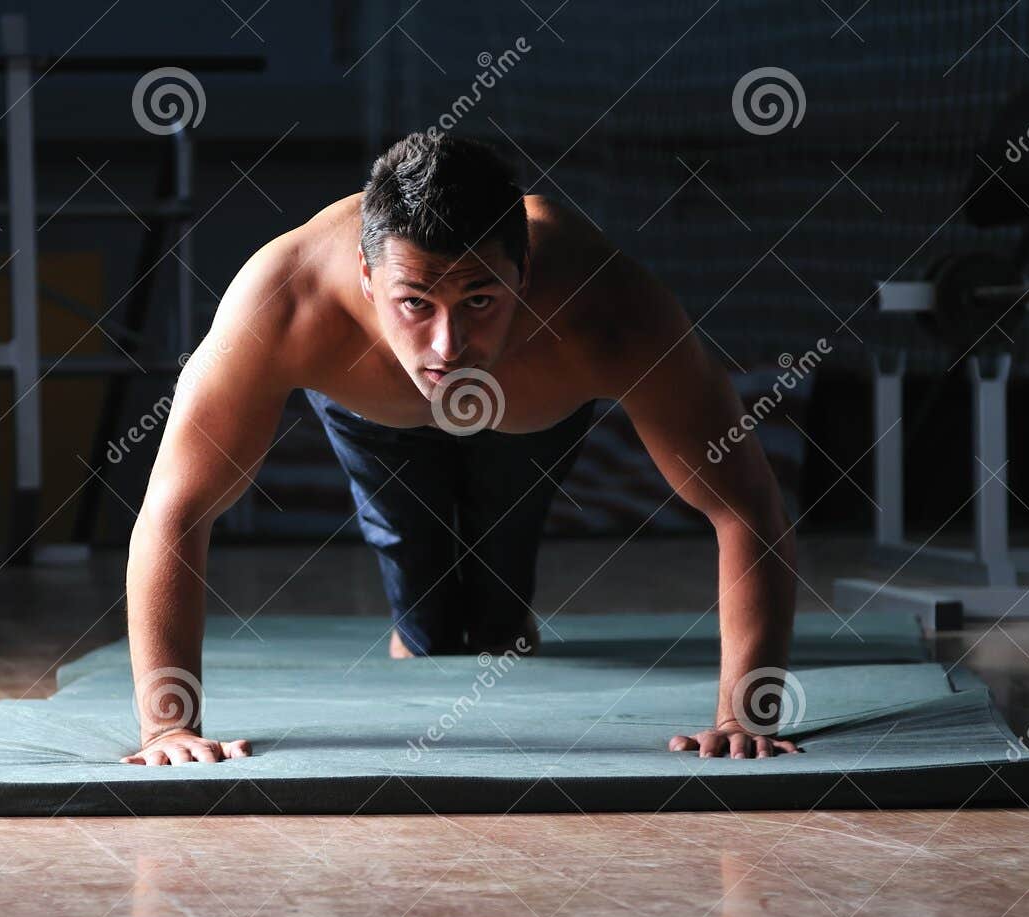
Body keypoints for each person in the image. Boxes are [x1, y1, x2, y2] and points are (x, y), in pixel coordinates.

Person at [121, 131, 800, 766]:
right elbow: (176, 510)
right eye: (416, 303)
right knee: (431, 636)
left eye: (479, 300)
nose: (448, 347)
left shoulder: (611, 309)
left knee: (501, 628)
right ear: (366, 276)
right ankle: (425, 626)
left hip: (532, 420)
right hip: (376, 416)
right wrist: (167, 728)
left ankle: (504, 616)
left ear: (523, 274)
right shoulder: (285, 299)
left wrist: (744, 715)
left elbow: (745, 507)